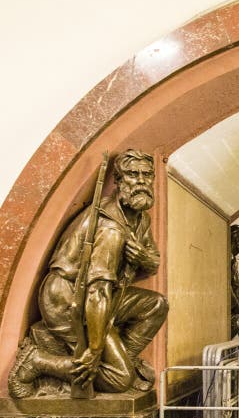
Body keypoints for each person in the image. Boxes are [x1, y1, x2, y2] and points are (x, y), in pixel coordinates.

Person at [9, 149, 169, 397]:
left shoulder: (139, 218)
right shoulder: (110, 227)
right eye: (133, 175)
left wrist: (143, 257)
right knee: (119, 380)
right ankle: (37, 361)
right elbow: (97, 292)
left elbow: (153, 262)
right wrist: (94, 349)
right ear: (117, 180)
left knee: (156, 305)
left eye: (147, 175)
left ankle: (118, 359)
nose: (141, 181)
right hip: (69, 299)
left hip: (106, 295)